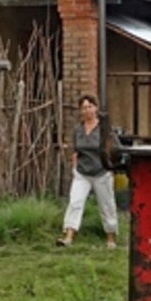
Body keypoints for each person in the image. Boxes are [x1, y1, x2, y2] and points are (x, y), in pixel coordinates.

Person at [58, 95, 120, 249]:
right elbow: (75, 149)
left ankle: (110, 238)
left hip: (101, 172)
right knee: (75, 202)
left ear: (95, 108)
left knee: (107, 204)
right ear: (80, 111)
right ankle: (68, 237)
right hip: (82, 172)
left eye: (90, 107)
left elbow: (112, 147)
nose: (87, 110)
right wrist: (74, 162)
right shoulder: (78, 130)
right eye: (84, 108)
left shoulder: (104, 128)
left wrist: (110, 165)